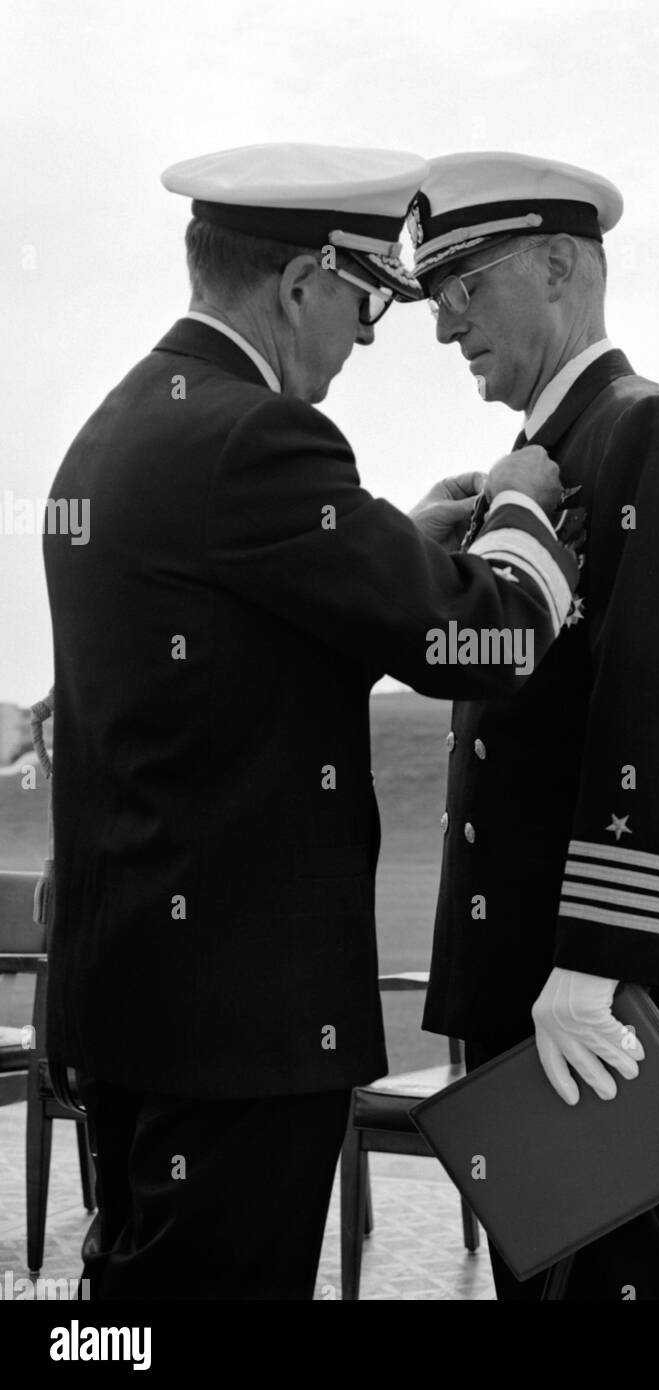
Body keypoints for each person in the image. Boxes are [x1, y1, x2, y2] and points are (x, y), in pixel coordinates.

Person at [42, 143, 579, 1300]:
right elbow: (479, 639)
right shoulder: (259, 436)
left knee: (132, 1304)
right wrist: (523, 512)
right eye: (365, 302)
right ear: (298, 286)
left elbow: (252, 609)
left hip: (135, 996)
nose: (368, 336)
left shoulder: (126, 424)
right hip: (239, 1027)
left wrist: (395, 536)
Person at [411, 152, 659, 1300]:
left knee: (615, 1287)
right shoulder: (533, 466)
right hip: (531, 970)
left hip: (599, 986)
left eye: (467, 283)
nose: (446, 322)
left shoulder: (649, 437)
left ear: (559, 266)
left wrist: (592, 962)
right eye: (435, 291)